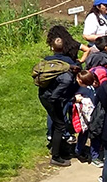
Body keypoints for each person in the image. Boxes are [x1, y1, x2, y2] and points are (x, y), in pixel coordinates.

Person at [42, 26, 81, 165]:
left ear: (52, 48)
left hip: (44, 96)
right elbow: (70, 81)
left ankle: (52, 138)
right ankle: (56, 156)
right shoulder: (68, 62)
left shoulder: (46, 61)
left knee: (53, 118)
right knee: (60, 125)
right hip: (56, 98)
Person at [72, 70, 100, 164]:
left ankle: (80, 151)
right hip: (87, 116)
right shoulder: (93, 88)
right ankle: (92, 155)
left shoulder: (83, 89)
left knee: (87, 134)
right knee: (91, 135)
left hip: (90, 116)